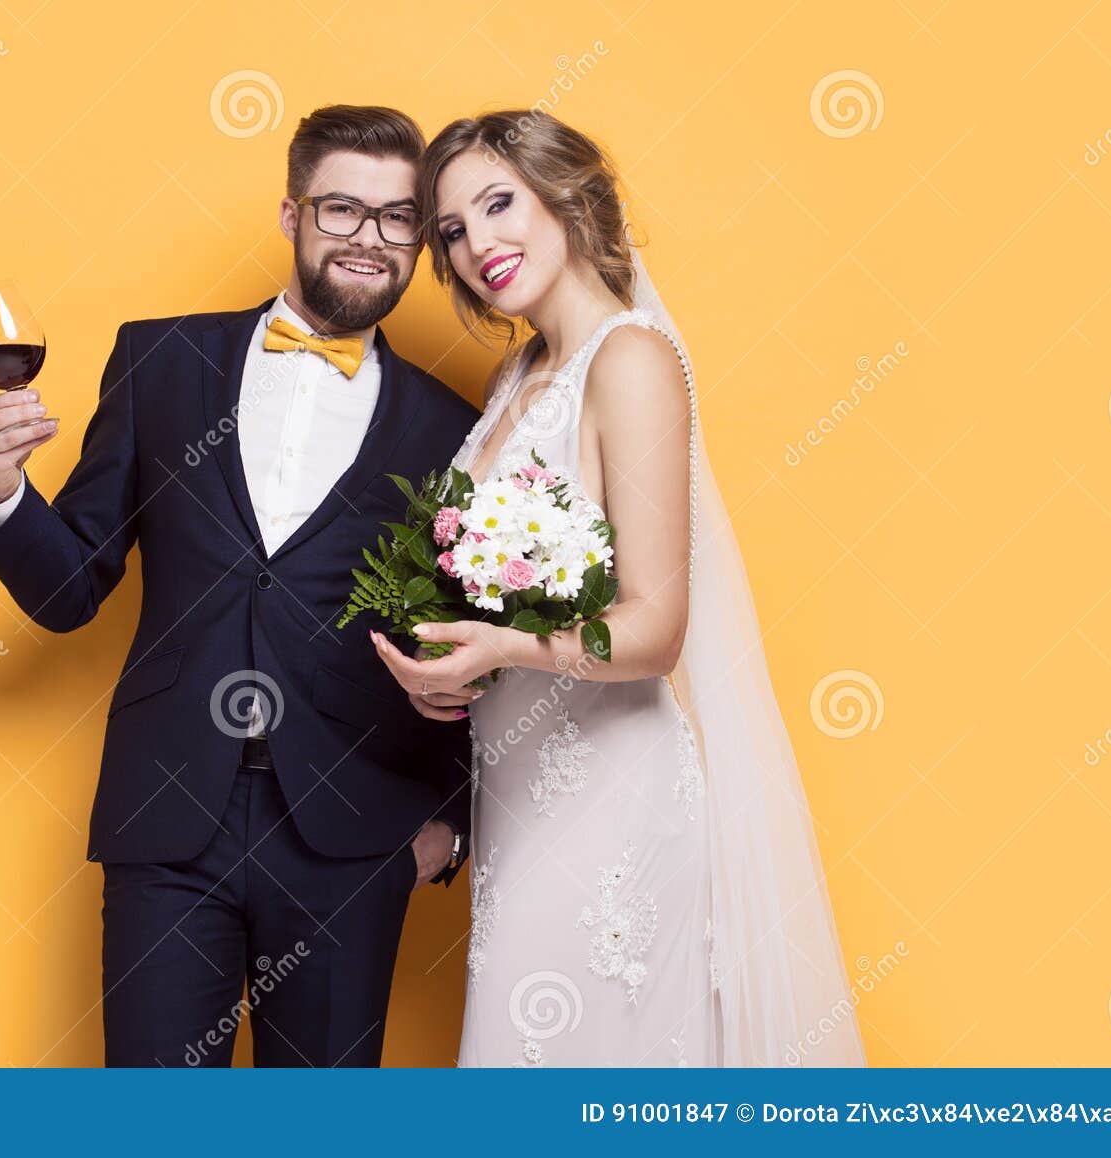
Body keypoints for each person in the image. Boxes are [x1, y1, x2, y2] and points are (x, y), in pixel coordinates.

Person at [0, 105, 479, 1067]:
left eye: (397, 218)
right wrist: (4, 490)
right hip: (169, 818)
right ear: (291, 215)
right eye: (340, 210)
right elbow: (71, 589)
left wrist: (451, 823)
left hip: (352, 834)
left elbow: (471, 634)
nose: (368, 240)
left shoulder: (457, 426)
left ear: (419, 237)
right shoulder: (163, 361)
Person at [371, 109, 867, 1067]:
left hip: (608, 789)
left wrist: (503, 649)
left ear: (565, 191)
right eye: (454, 231)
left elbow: (656, 627)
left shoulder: (630, 359)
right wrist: (448, 671)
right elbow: (502, 595)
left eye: (497, 203)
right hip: (518, 786)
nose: (479, 246)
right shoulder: (519, 374)